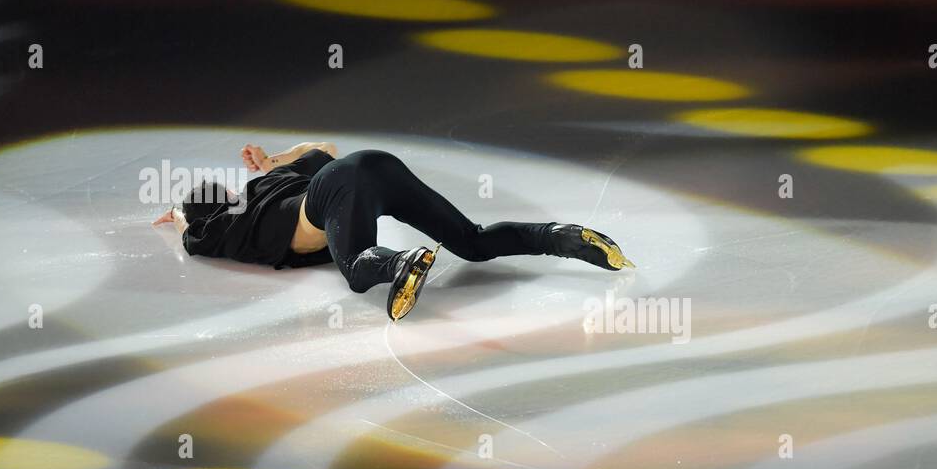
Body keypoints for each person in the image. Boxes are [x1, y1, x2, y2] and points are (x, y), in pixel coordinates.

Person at [153, 142, 634, 321]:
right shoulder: (279, 178)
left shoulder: (221, 227)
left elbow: (186, 224)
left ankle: (401, 263)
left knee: (357, 271)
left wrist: (176, 213)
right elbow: (321, 146)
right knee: (473, 241)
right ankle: (559, 235)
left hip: (339, 190)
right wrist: (271, 159)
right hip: (375, 163)